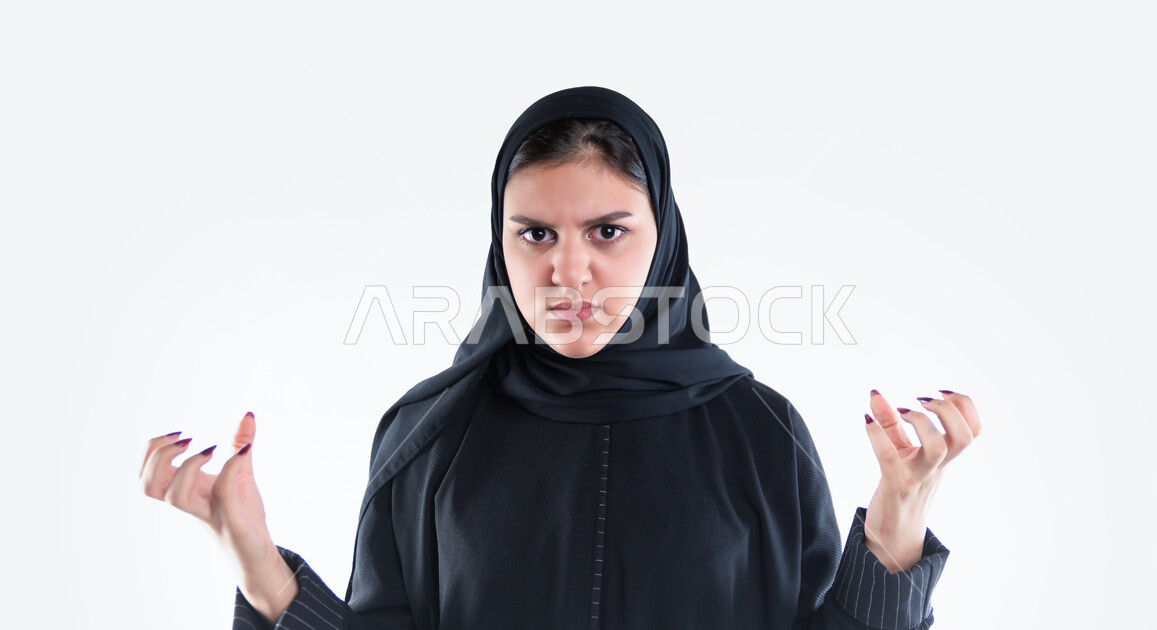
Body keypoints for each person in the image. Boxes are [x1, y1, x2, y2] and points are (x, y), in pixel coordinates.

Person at [139, 86, 981, 630]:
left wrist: (899, 518)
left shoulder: (760, 432)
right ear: (499, 240)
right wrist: (252, 555)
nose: (567, 271)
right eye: (535, 233)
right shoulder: (433, 433)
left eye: (608, 232)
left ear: (664, 241)